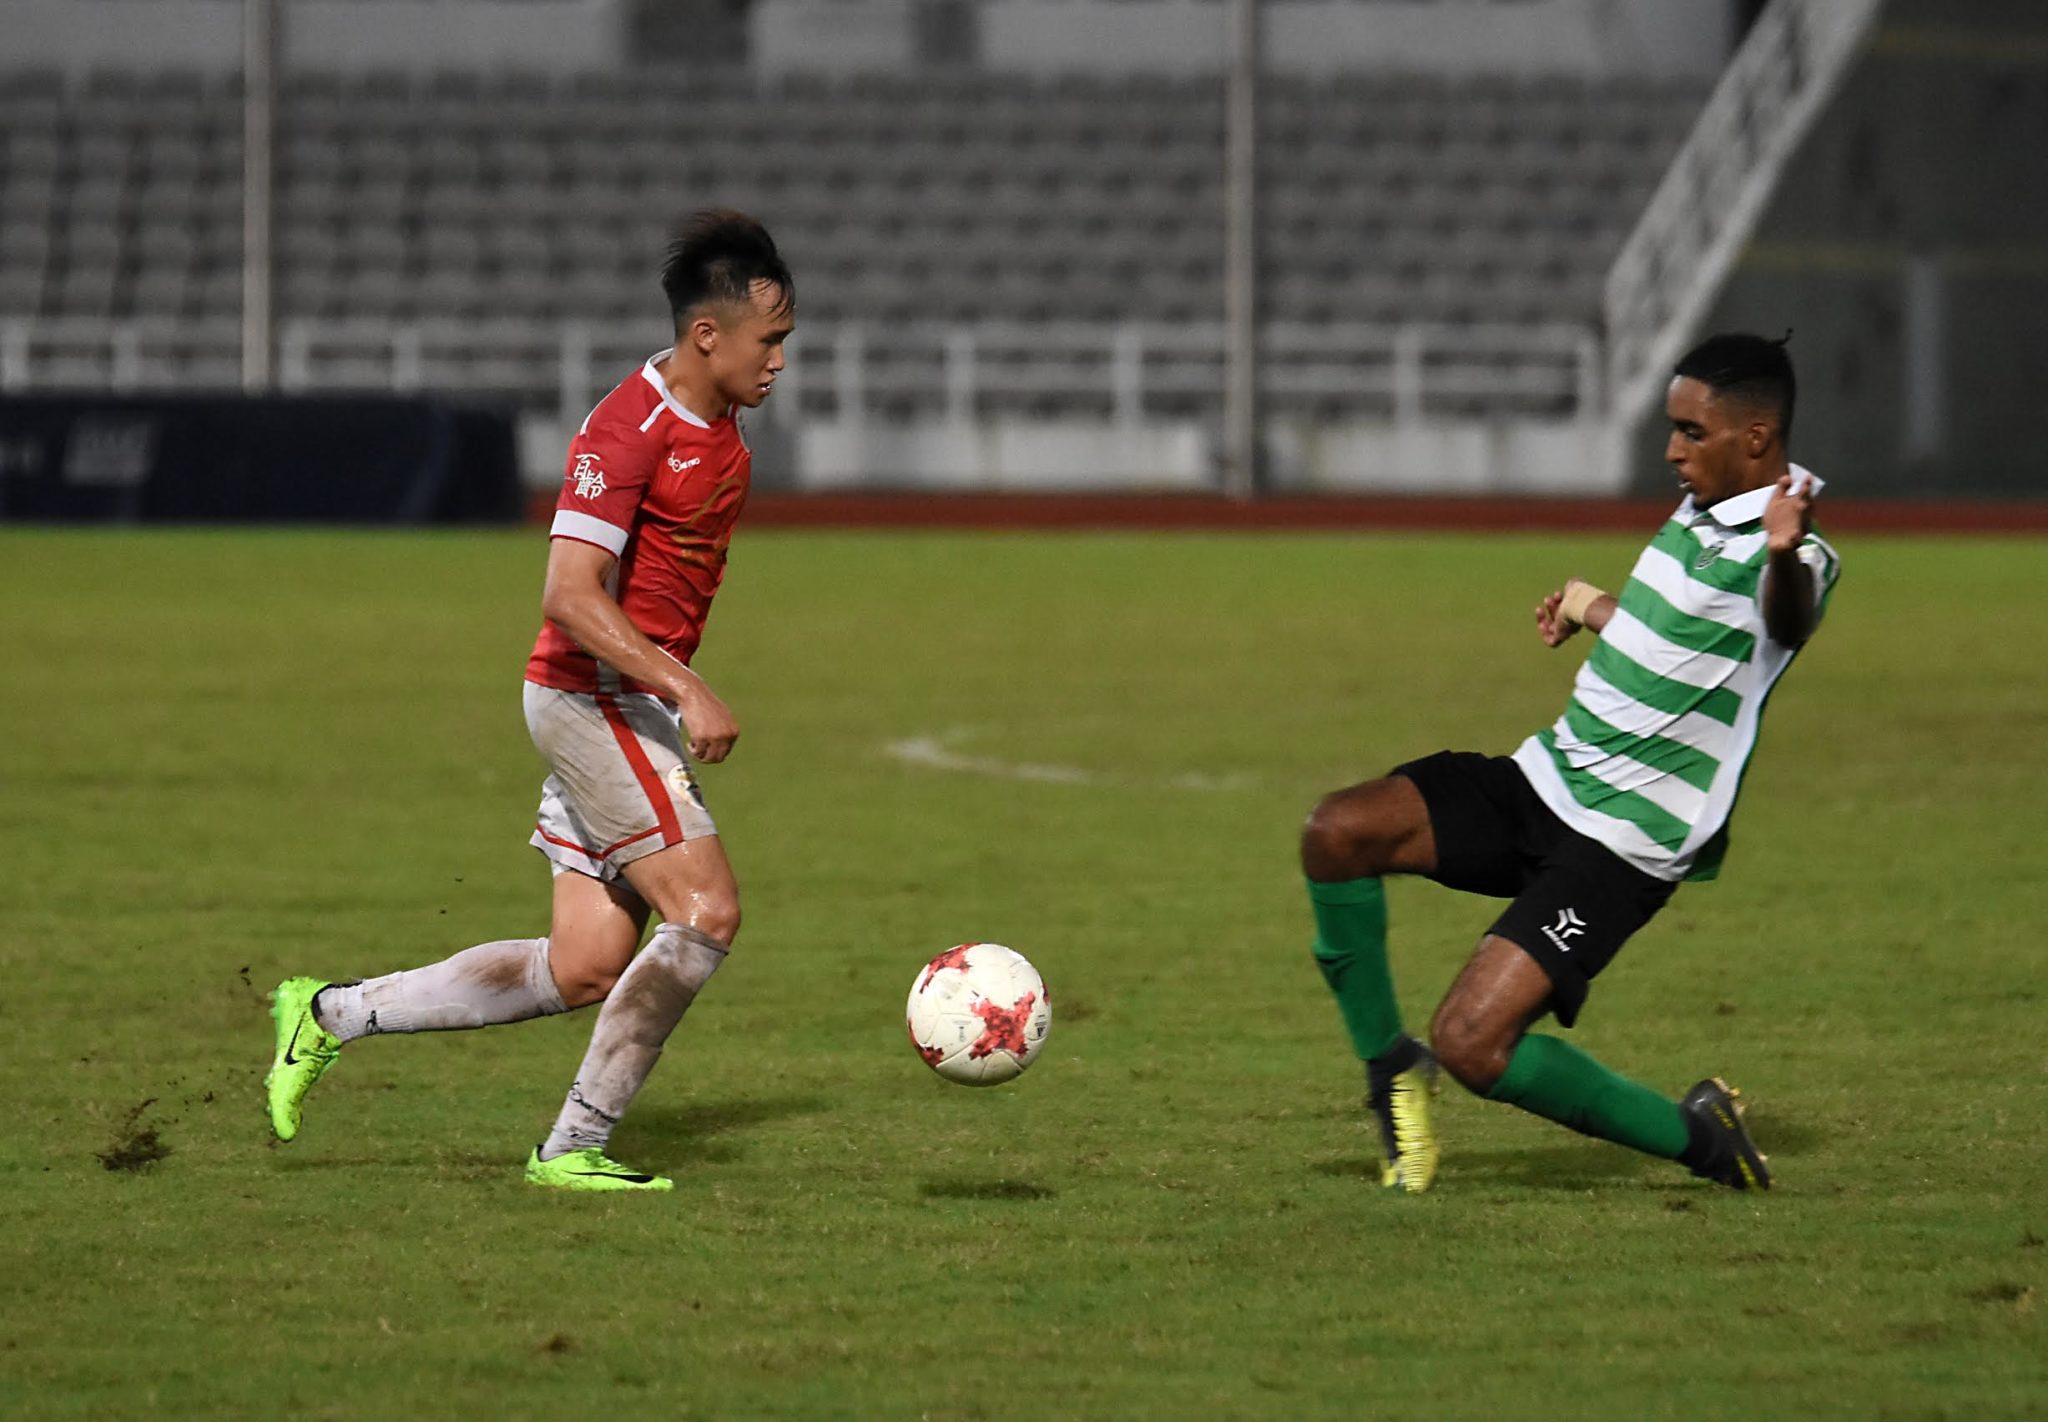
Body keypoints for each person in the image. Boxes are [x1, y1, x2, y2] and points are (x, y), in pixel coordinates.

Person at [265, 210, 796, 1191]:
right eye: (768, 342)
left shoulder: (720, 430)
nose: (778, 363)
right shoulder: (625, 430)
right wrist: (684, 685)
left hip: (618, 705)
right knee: (708, 912)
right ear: (706, 335)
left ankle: (329, 1012)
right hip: (589, 698)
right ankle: (572, 1148)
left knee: (585, 963)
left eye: (786, 343)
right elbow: (566, 593)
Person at [1302, 332, 1838, 1194]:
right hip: (1547, 778)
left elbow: (1784, 622)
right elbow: (1677, 638)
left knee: (1474, 1045)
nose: (1671, 449)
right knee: (1338, 832)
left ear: (1757, 439)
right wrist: (1591, 609)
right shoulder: (1701, 508)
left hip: (1624, 842)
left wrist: (1780, 548)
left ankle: (1704, 1141)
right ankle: (1389, 1068)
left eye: (1690, 433)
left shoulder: (1796, 552)